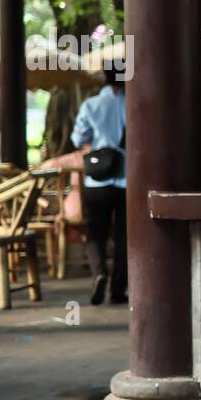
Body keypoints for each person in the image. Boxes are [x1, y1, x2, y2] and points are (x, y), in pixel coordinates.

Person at [71, 67, 127, 305]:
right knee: (124, 236)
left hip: (96, 180)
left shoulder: (91, 105)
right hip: (126, 178)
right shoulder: (133, 104)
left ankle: (99, 273)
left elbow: (78, 139)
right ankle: (117, 290)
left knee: (96, 233)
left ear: (105, 76)